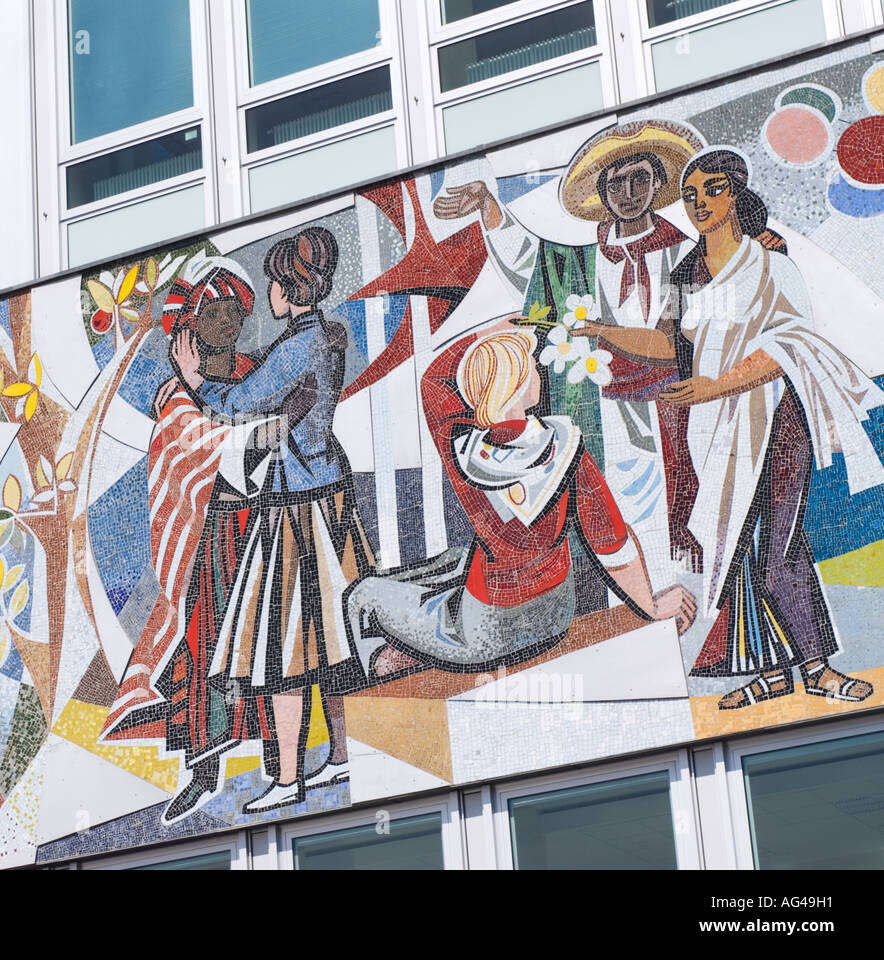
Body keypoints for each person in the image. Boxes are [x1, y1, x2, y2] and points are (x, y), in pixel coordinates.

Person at [593, 147, 883, 709]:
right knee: (741, 549)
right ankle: (772, 673)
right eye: (691, 194)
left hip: (773, 419)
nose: (700, 201)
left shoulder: (771, 262)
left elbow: (787, 344)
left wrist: (713, 386)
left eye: (712, 188)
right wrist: (603, 331)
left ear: (736, 193)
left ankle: (819, 670)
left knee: (780, 549)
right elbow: (666, 343)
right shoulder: (686, 274)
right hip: (714, 431)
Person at [434, 120, 708, 589]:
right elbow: (528, 260)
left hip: (672, 412)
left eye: (639, 177)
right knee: (614, 505)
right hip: (602, 415)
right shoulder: (574, 262)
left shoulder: (688, 256)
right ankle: (633, 603)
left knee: (672, 502)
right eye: (616, 182)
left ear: (659, 181)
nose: (628, 191)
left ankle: (669, 599)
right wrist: (488, 206)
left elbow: (697, 336)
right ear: (600, 193)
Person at [344, 326, 697, 673]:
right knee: (456, 559)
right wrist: (650, 607)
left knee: (362, 595)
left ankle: (386, 662)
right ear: (516, 380)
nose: (537, 371)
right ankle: (414, 647)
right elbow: (610, 542)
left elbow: (433, 381)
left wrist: (488, 332)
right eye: (528, 363)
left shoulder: (462, 449)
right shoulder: (566, 446)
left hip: (488, 628)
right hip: (555, 613)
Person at [171, 226, 374, 814]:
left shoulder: (295, 348)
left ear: (289, 287)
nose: (268, 296)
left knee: (282, 648)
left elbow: (241, 403)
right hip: (331, 493)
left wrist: (195, 379)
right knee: (335, 640)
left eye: (274, 284)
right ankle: (339, 757)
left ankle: (287, 779)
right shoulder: (329, 336)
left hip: (295, 505)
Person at [100, 255, 272, 824]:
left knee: (270, 638)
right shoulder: (178, 392)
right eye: (218, 310)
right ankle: (204, 769)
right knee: (206, 650)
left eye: (237, 312)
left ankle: (280, 756)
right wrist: (196, 391)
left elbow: (279, 419)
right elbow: (184, 444)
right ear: (192, 319)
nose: (229, 322)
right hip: (210, 536)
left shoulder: (258, 370)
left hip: (265, 522)